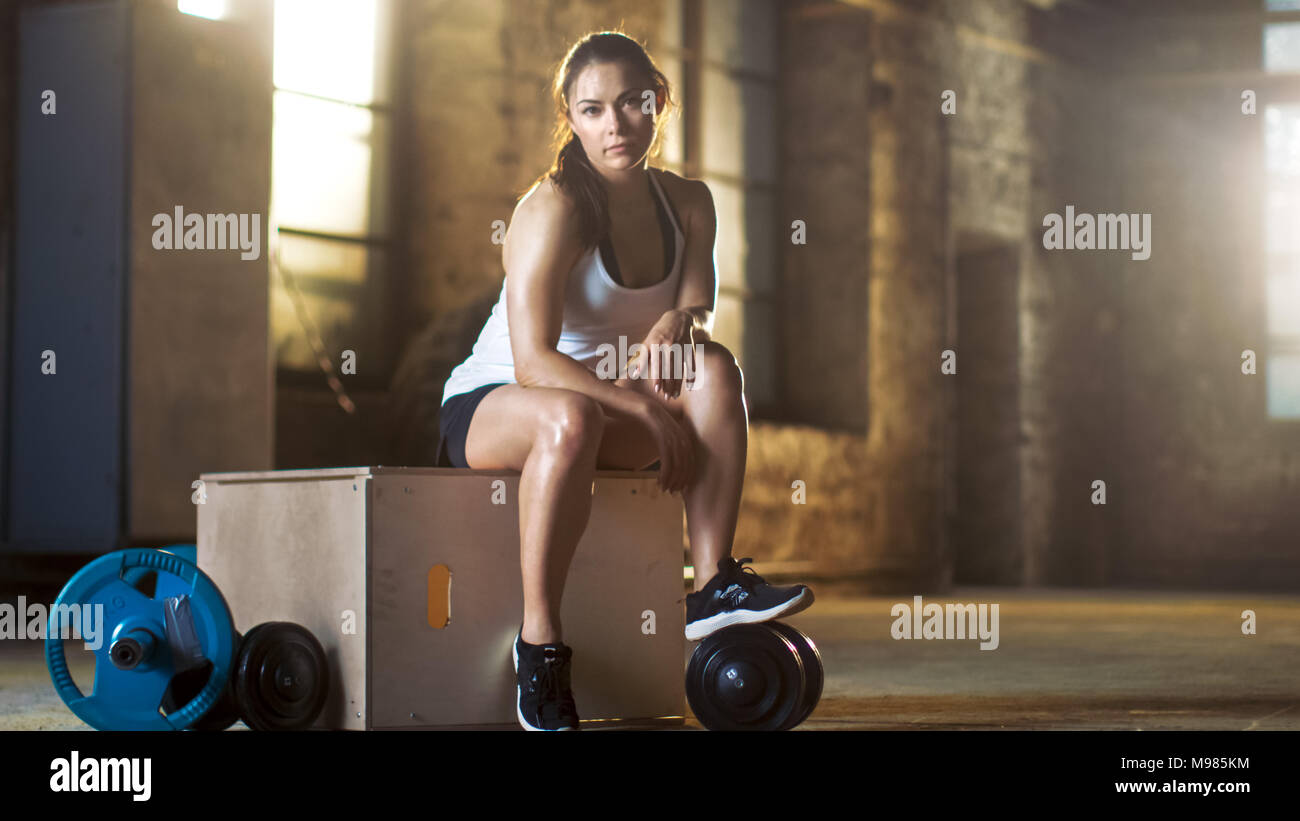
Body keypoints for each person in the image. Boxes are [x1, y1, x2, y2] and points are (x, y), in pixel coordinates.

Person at [435, 31, 814, 731]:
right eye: (592, 110)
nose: (614, 125)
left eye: (631, 103)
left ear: (659, 101)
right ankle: (540, 646)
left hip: (611, 401)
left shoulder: (690, 202)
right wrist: (646, 416)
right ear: (572, 119)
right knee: (568, 419)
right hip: (496, 406)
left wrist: (678, 319)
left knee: (714, 369)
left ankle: (712, 584)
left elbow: (696, 303)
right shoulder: (552, 210)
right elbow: (533, 363)